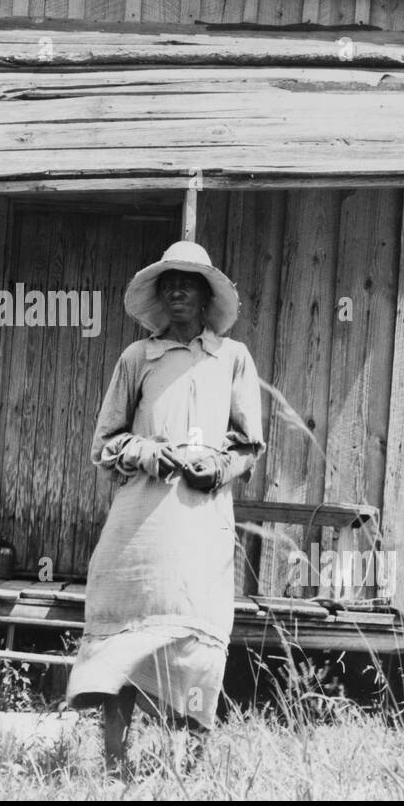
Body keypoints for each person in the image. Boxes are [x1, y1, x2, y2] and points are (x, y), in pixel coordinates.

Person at [65, 240, 264, 777]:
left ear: (206, 297)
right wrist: (150, 452)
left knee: (198, 638)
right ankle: (113, 765)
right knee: (126, 634)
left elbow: (247, 446)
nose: (178, 290)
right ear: (159, 295)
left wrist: (219, 468)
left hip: (201, 522)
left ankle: (190, 770)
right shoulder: (137, 358)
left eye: (189, 283)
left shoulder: (233, 359)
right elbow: (105, 443)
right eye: (169, 283)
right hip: (141, 523)